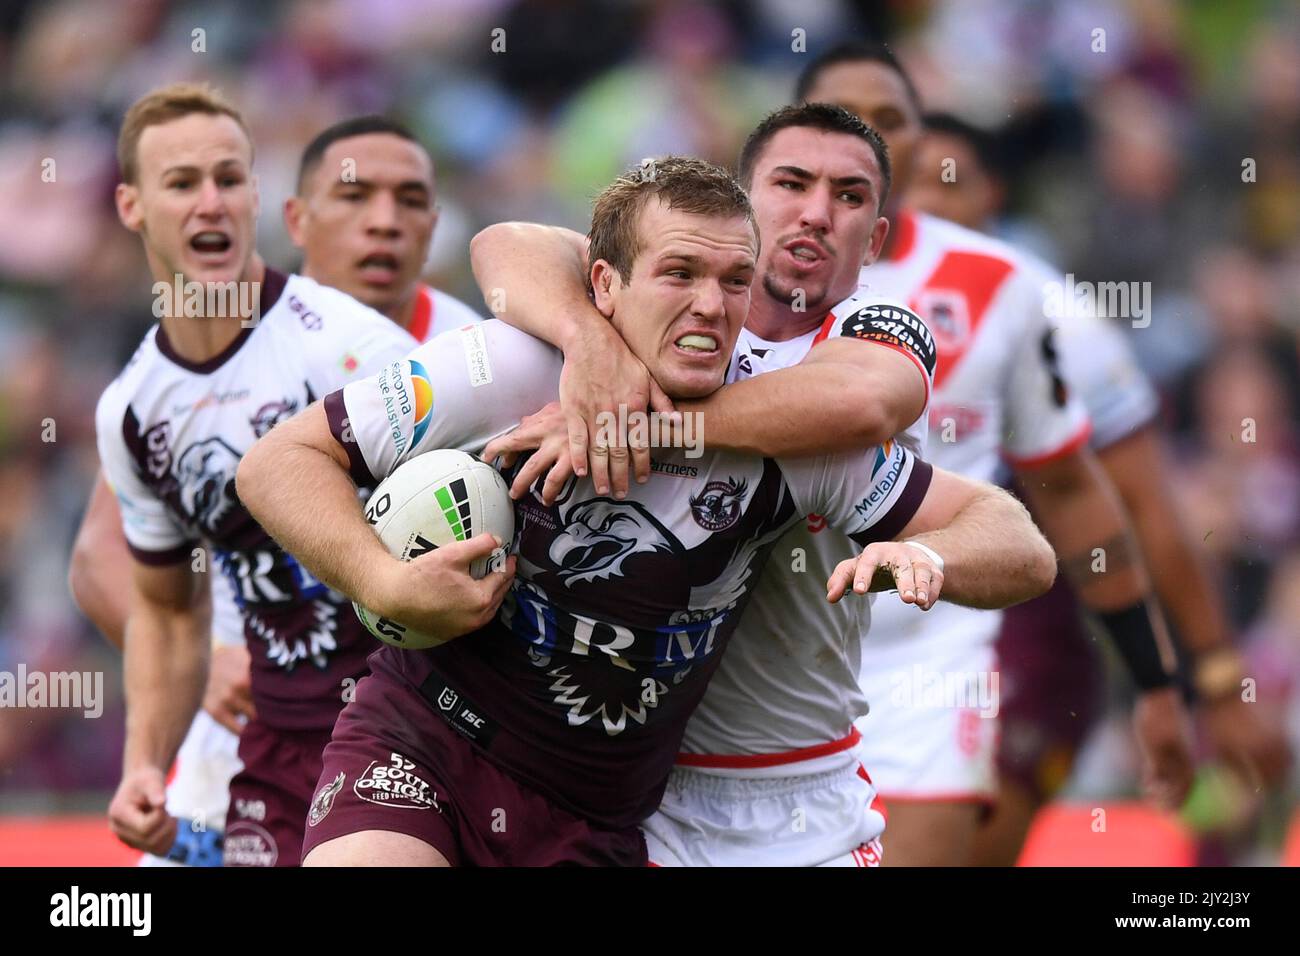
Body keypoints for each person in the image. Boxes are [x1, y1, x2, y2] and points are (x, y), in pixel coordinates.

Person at [236, 155, 1058, 866]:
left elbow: (1019, 544)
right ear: (605, 284)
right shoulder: (506, 366)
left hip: (602, 816)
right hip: (424, 743)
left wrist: (929, 556)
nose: (710, 304)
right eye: (679, 273)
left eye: (734, 281)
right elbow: (278, 461)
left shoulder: (788, 433)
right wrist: (380, 580)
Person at [796, 40, 1195, 864]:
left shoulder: (1004, 283)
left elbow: (1072, 492)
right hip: (766, 659)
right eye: (843, 115)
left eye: (891, 118)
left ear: (920, 140)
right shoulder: (724, 270)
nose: (867, 135)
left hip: (933, 665)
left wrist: (1159, 681)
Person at [71, 111, 482, 866]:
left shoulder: (425, 354)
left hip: (405, 721)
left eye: (227, 180)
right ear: (297, 216)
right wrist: (152, 748)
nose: (383, 223)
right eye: (355, 196)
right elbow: (128, 579)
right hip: (260, 723)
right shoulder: (135, 405)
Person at [904, 108, 1291, 865]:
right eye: (908, 181)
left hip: (1012, 654)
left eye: (947, 180)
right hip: (851, 650)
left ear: (994, 194)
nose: (927, 200)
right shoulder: (816, 309)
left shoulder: (1052, 316)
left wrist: (1214, 681)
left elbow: (1143, 507)